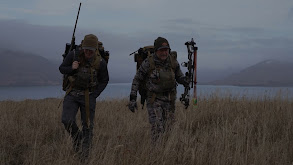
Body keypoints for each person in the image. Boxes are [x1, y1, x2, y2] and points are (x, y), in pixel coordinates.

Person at [128, 37, 189, 142]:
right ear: (156, 51)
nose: (164, 53)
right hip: (154, 100)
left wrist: (185, 80)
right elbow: (137, 79)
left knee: (169, 129)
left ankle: (166, 154)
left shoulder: (173, 62)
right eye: (161, 50)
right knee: (157, 129)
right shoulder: (149, 63)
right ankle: (156, 154)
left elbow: (179, 77)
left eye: (166, 50)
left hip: (170, 100)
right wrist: (133, 98)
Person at [59, 34, 109, 158]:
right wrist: (71, 68)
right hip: (72, 93)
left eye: (91, 50)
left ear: (95, 50)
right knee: (66, 120)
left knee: (87, 127)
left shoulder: (100, 62)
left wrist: (95, 95)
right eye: (86, 49)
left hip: (88, 96)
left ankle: (85, 157)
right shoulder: (74, 54)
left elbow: (104, 80)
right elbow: (61, 68)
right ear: (82, 47)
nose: (88, 52)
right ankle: (77, 137)